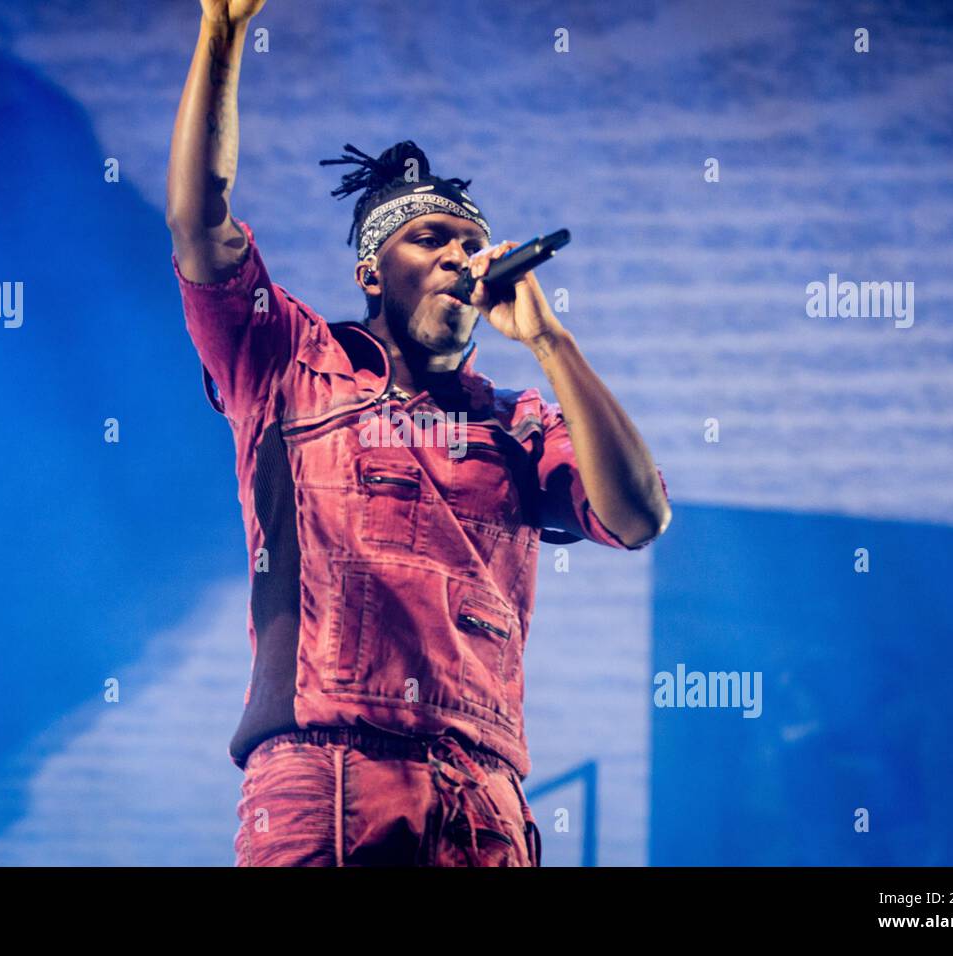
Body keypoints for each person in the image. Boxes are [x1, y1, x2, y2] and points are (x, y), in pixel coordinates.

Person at [166, 0, 671, 867]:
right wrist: (223, 28)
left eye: (471, 242)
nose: (458, 256)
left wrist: (553, 344)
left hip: (483, 800)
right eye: (430, 238)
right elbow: (199, 225)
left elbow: (638, 516)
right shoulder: (290, 361)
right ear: (370, 269)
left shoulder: (518, 421)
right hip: (330, 776)